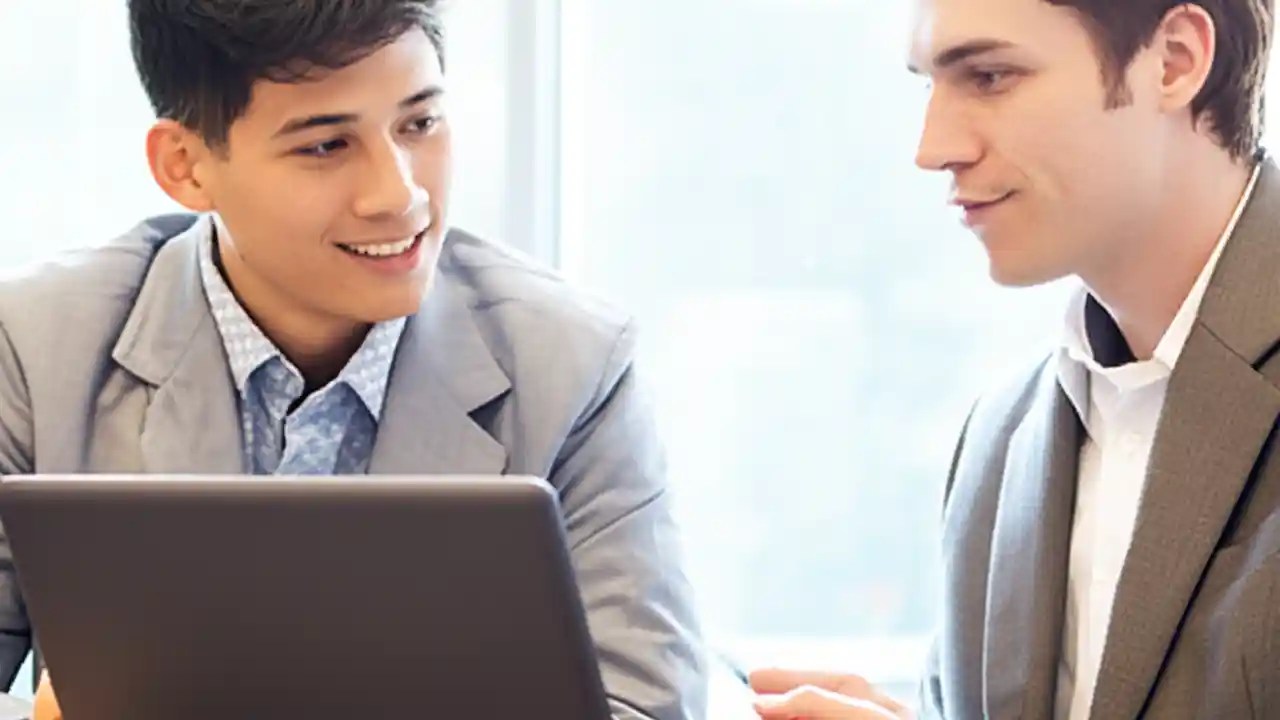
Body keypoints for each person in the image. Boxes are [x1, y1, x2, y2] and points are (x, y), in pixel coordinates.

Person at [10, 2, 707, 718]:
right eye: (325, 146)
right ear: (185, 167)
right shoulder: (33, 349)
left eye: (419, 123)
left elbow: (645, 707)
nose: (399, 194)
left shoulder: (576, 366)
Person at [751, 0, 1279, 718]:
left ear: (1175, 60)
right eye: (929, 84)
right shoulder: (999, 444)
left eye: (990, 76)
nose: (932, 146)